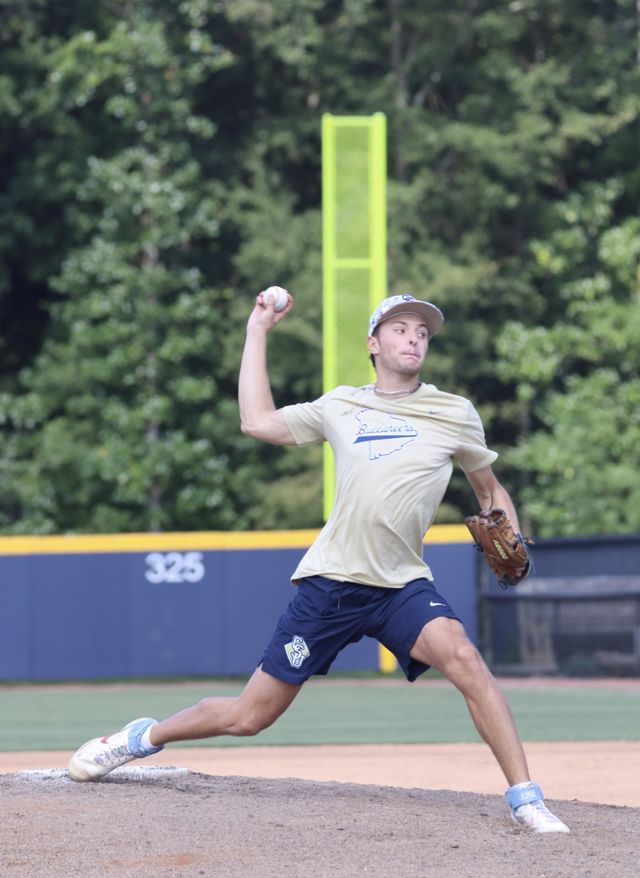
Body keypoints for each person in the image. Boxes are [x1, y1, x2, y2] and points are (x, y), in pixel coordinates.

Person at [68, 290, 569, 834]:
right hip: (331, 583)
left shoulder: (453, 412)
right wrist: (256, 330)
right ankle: (141, 737)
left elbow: (489, 491)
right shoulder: (341, 405)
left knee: (465, 659)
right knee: (249, 716)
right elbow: (257, 421)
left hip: (401, 583)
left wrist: (510, 533)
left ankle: (526, 798)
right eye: (401, 329)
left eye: (422, 333)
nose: (414, 339)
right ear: (373, 344)